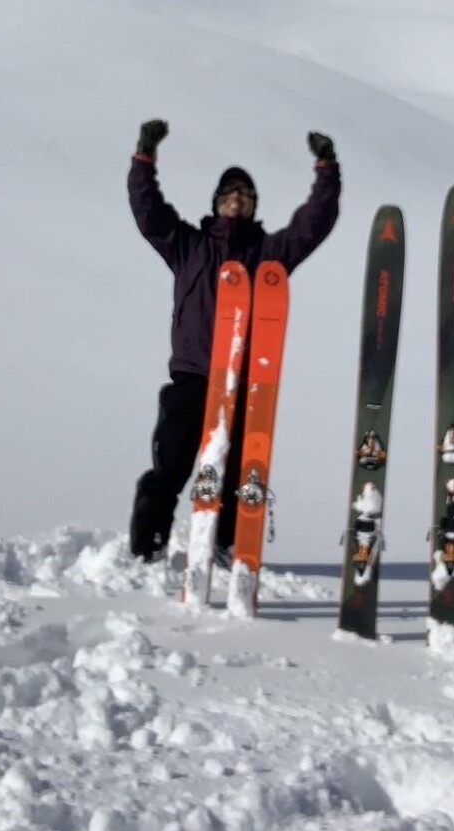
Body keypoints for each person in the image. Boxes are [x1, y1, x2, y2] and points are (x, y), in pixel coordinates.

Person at [128, 119, 341, 562]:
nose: (235, 201)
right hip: (193, 374)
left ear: (252, 206)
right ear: (217, 203)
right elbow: (148, 212)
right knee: (171, 465)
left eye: (244, 196)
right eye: (228, 195)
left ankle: (226, 546)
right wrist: (145, 157)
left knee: (240, 472)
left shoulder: (267, 255)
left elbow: (312, 225)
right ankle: (147, 548)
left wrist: (326, 168)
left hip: (246, 381)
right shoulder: (189, 246)